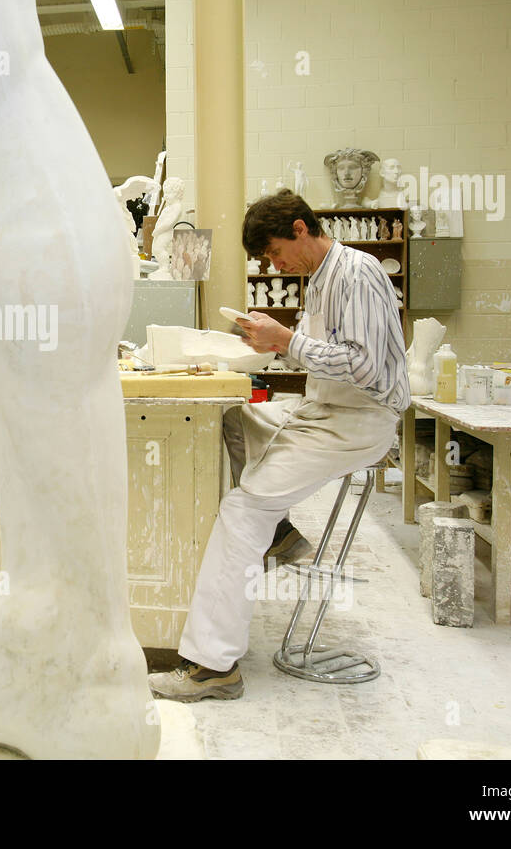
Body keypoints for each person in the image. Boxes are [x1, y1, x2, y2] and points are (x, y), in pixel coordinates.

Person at [149, 189, 409, 702]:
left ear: (299, 228)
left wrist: (287, 341)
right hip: (323, 410)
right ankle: (282, 534)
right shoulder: (319, 280)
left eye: (274, 252)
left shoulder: (356, 273)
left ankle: (211, 667)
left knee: (242, 512)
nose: (275, 263)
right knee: (233, 419)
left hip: (358, 422)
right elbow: (326, 358)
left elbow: (367, 368)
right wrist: (270, 343)